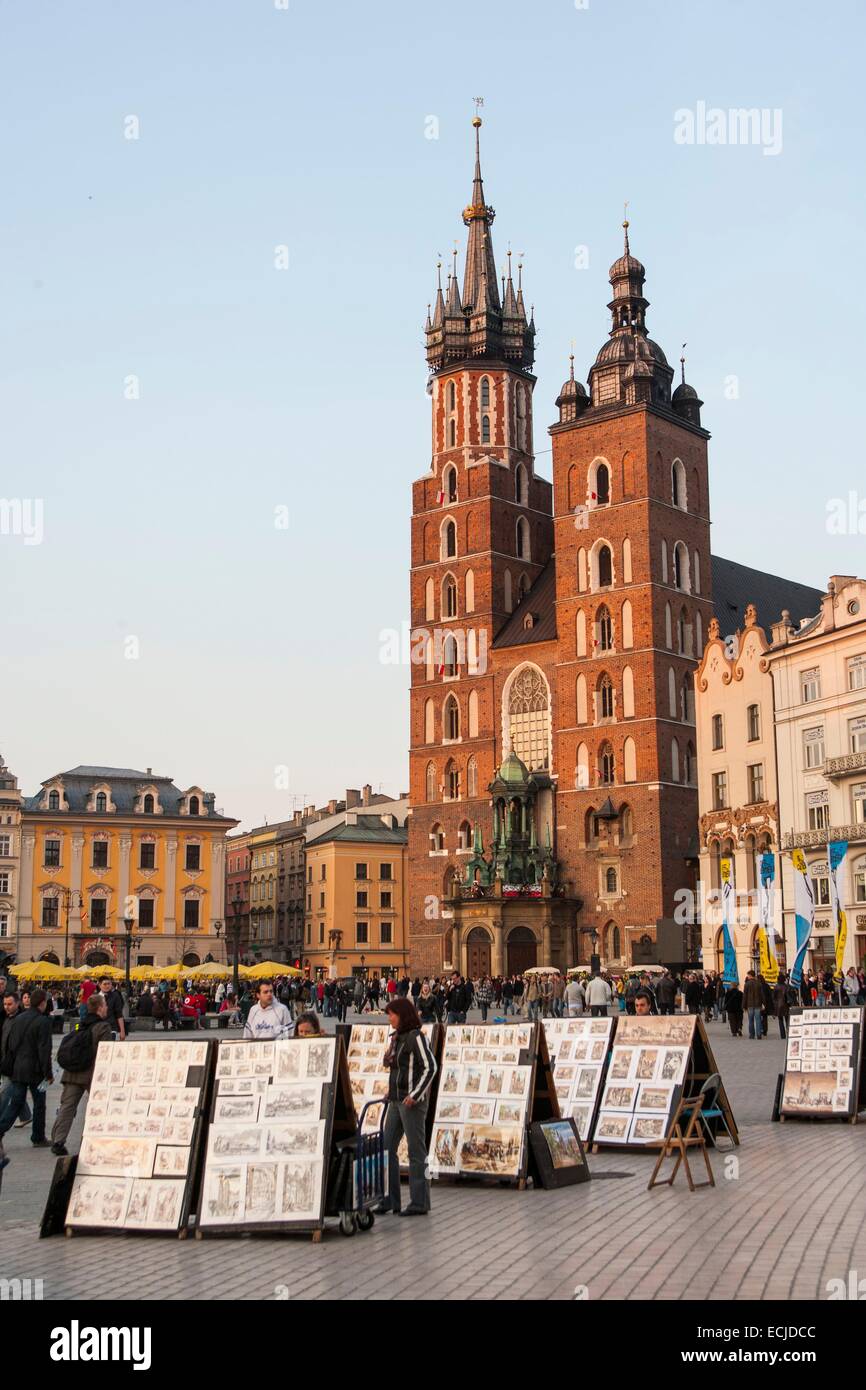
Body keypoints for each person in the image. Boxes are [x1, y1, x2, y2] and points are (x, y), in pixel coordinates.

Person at [375, 997, 437, 1217]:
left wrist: (416, 1095)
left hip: (412, 1103)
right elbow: (396, 1069)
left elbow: (430, 1067)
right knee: (386, 1146)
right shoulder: (396, 1038)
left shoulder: (416, 1037)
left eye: (392, 1014)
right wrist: (391, 1091)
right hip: (395, 1100)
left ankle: (420, 1202)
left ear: (403, 1015)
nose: (389, 1018)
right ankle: (389, 1199)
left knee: (416, 1151)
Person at [50, 994, 114, 1156]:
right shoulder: (103, 1027)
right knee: (99, 1107)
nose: (106, 1007)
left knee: (67, 1107)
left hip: (71, 1072)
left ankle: (58, 1141)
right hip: (92, 1073)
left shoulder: (80, 1025)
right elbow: (106, 1052)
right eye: (105, 1005)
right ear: (99, 1008)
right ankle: (95, 1139)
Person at [0, 987, 54, 1165]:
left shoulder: (19, 1018)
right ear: (43, 1003)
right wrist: (48, 1073)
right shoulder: (43, 1021)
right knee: (39, 1104)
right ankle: (38, 1137)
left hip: (18, 1069)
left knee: (15, 1103)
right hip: (36, 1071)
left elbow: (11, 1044)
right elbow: (44, 1050)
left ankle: (0, 1130)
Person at [0, 992, 32, 1131]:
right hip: (6, 1061)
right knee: (16, 1092)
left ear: (17, 1003)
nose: (7, 1007)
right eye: (5, 1004)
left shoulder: (21, 1019)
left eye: (10, 1004)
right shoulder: (6, 1018)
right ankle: (25, 1115)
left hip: (16, 1063)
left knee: (5, 1092)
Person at [99, 976, 125, 1041]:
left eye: (109, 984)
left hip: (111, 1028)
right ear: (100, 985)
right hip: (98, 1028)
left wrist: (122, 1031)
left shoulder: (115, 996)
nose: (107, 986)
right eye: (105, 984)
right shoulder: (96, 997)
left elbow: (119, 1014)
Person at [743, 971, 764, 1040]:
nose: (747, 976)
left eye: (748, 975)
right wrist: (764, 1003)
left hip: (750, 1005)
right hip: (758, 1004)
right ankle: (759, 1035)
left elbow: (745, 996)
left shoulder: (747, 984)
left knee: (751, 1020)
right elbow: (762, 995)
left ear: (750, 975)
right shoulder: (759, 983)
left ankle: (752, 1035)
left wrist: (744, 1006)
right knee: (758, 1020)